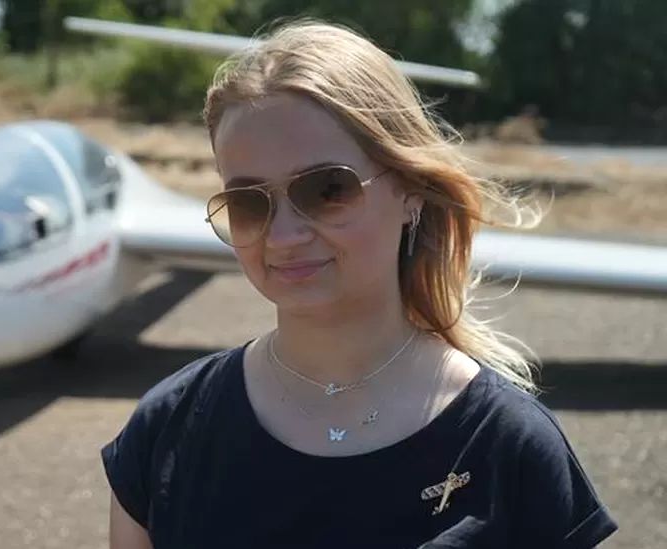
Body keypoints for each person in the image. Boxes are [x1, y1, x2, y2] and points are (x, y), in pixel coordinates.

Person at [101, 19, 618, 549]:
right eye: (248, 202)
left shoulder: (510, 450)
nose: (283, 236)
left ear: (411, 191)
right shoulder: (166, 431)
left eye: (327, 189)